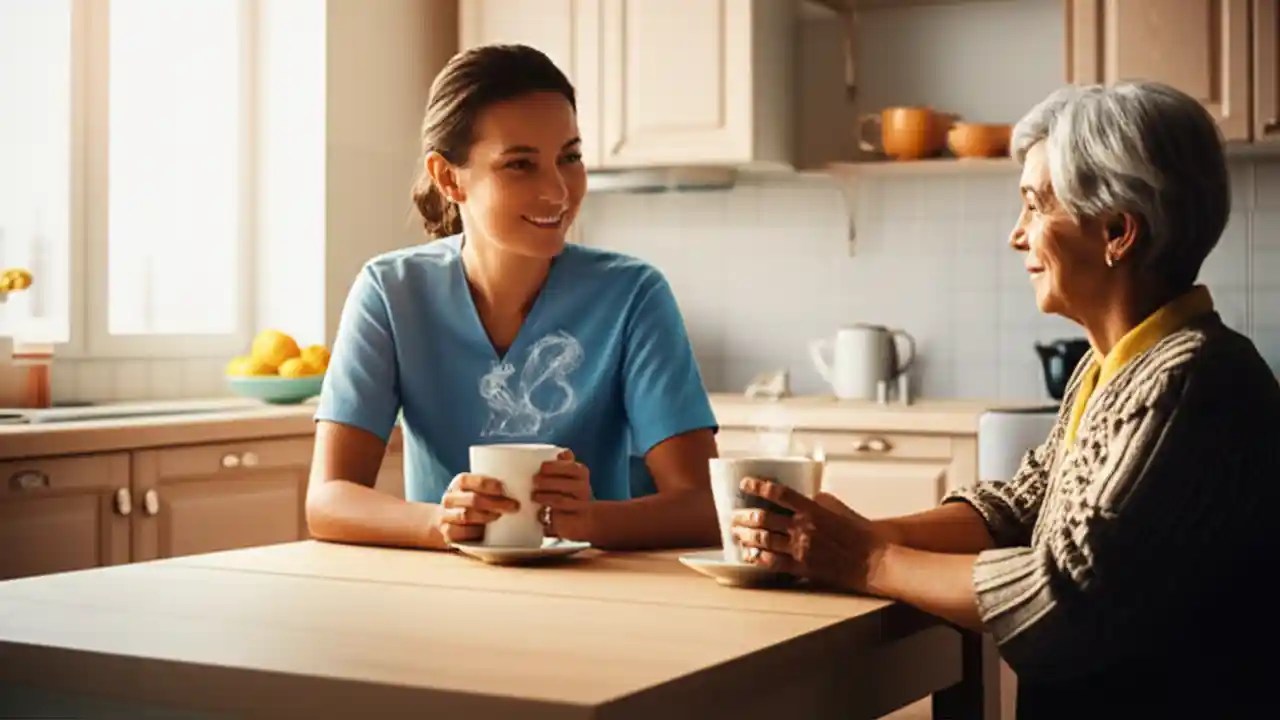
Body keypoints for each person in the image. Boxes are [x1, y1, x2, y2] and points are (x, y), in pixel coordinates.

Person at [731, 81, 1280, 717]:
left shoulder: (1191, 380)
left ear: (1117, 232)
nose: (1016, 236)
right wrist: (849, 534)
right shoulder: (1116, 366)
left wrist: (867, 559)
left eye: (1034, 206)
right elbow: (1022, 508)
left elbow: (1066, 594)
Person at [306, 44, 720, 552]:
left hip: (602, 594)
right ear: (448, 177)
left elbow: (703, 504)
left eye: (569, 157)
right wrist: (439, 523)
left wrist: (592, 522)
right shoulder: (391, 293)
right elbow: (327, 500)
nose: (558, 191)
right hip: (442, 595)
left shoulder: (633, 295)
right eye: (520, 165)